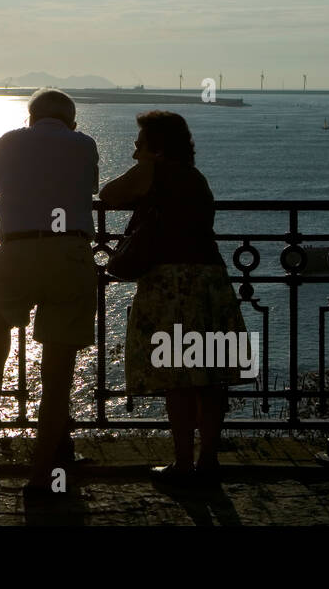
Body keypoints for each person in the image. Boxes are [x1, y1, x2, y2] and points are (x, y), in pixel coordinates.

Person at [0, 88, 99, 501]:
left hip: (18, 248)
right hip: (69, 251)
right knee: (58, 372)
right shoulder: (84, 144)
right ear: (72, 120)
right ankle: (41, 475)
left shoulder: (11, 139)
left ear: (30, 116)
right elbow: (89, 187)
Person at [99, 110, 247, 488]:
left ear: (157, 147)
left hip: (172, 283)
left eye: (139, 146)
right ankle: (209, 460)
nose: (135, 153)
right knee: (210, 378)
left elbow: (109, 193)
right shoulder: (197, 178)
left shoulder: (156, 170)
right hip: (211, 280)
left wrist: (148, 168)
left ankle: (183, 464)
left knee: (179, 379)